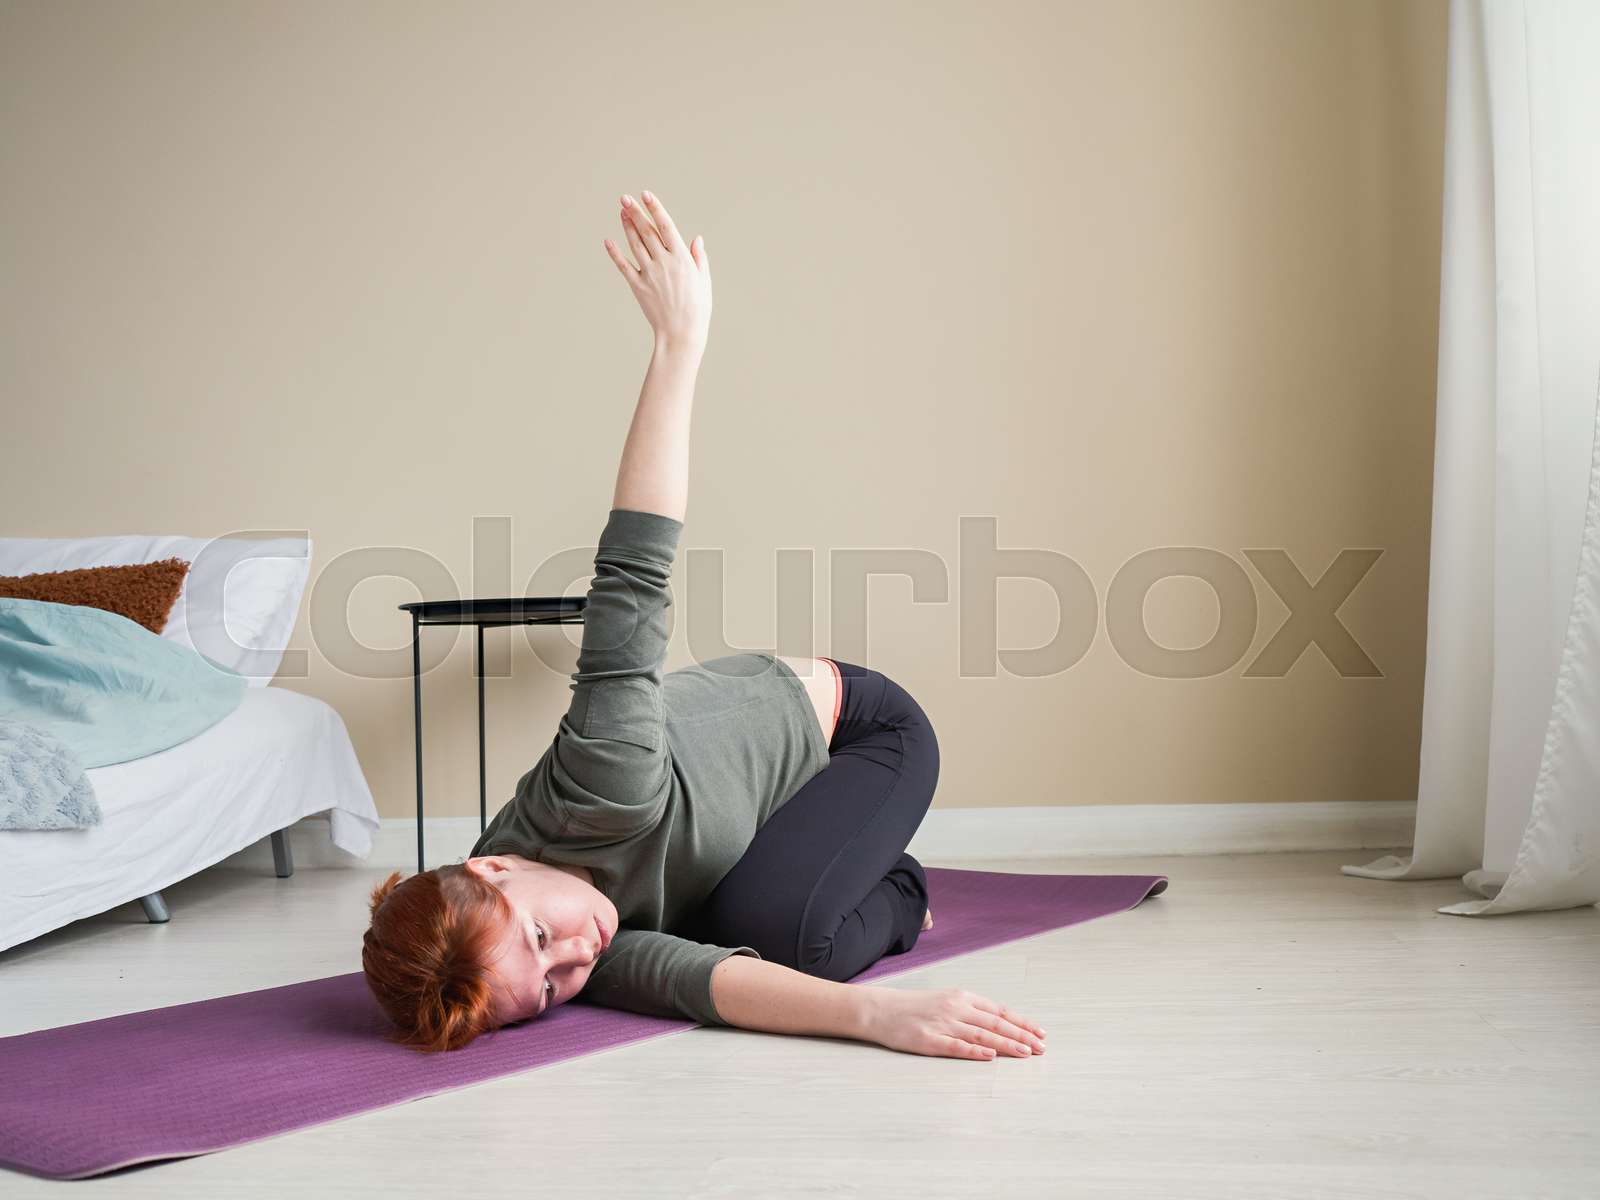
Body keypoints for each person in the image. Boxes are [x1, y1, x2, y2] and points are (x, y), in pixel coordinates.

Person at [361, 190, 1047, 1064]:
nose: (581, 955)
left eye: (544, 938)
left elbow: (633, 576)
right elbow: (706, 984)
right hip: (747, 795)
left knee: (790, 936)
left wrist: (677, 345)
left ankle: (901, 887)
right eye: (551, 991)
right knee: (753, 943)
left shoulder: (597, 785)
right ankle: (825, 873)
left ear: (495, 868)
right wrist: (888, 1018)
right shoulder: (564, 950)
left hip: (856, 735)